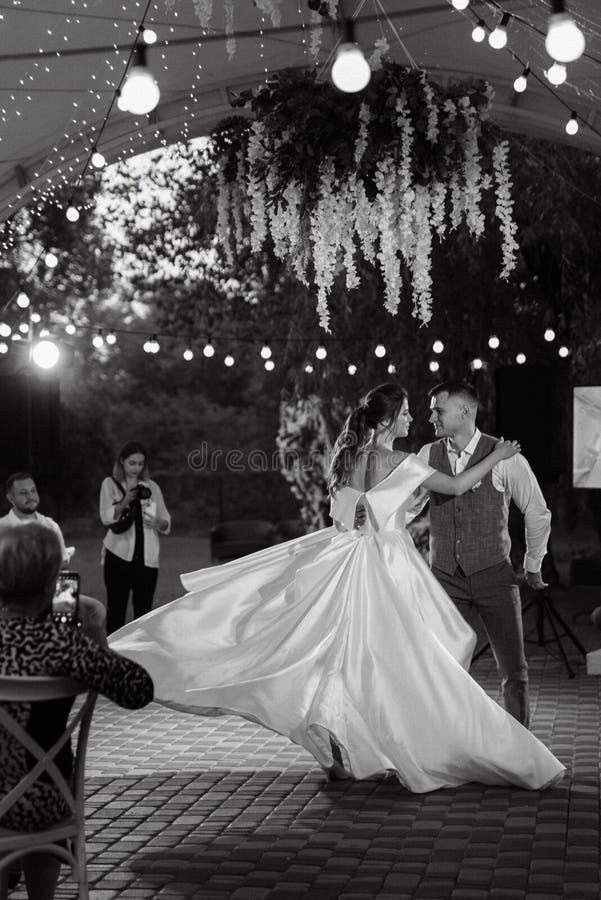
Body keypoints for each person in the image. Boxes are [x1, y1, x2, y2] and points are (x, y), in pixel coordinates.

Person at [110, 383, 564, 792]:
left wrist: (376, 510)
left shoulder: (348, 459)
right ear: (387, 421)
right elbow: (460, 485)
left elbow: (357, 513)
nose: (414, 419)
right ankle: (416, 743)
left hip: (348, 558)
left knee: (339, 658)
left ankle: (340, 747)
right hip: (386, 566)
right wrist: (498, 455)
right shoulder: (404, 461)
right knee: (401, 662)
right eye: (406, 413)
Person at [0, 523, 154, 900]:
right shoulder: (64, 644)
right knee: (39, 771)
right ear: (52, 583)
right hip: (43, 804)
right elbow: (138, 689)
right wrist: (95, 638)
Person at [407, 381, 552, 729]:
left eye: (437, 410)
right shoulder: (427, 454)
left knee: (514, 670)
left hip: (494, 577)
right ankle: (447, 742)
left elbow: (536, 511)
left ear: (465, 411)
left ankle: (519, 746)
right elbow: (409, 507)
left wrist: (533, 564)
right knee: (441, 669)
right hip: (444, 579)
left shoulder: (506, 457)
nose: (430, 417)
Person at [99, 442, 171, 634]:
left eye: (140, 464)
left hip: (147, 559)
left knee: (144, 613)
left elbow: (166, 521)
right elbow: (106, 517)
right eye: (132, 463)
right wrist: (124, 502)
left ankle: (140, 650)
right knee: (116, 610)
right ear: (122, 461)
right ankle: (114, 649)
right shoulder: (110, 484)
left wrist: (157, 522)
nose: (136, 468)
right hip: (118, 556)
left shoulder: (152, 487)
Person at [0, 473, 72, 566]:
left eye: (33, 490)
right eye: (23, 492)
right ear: (10, 498)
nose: (30, 496)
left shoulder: (51, 526)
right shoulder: (2, 528)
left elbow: (62, 564)